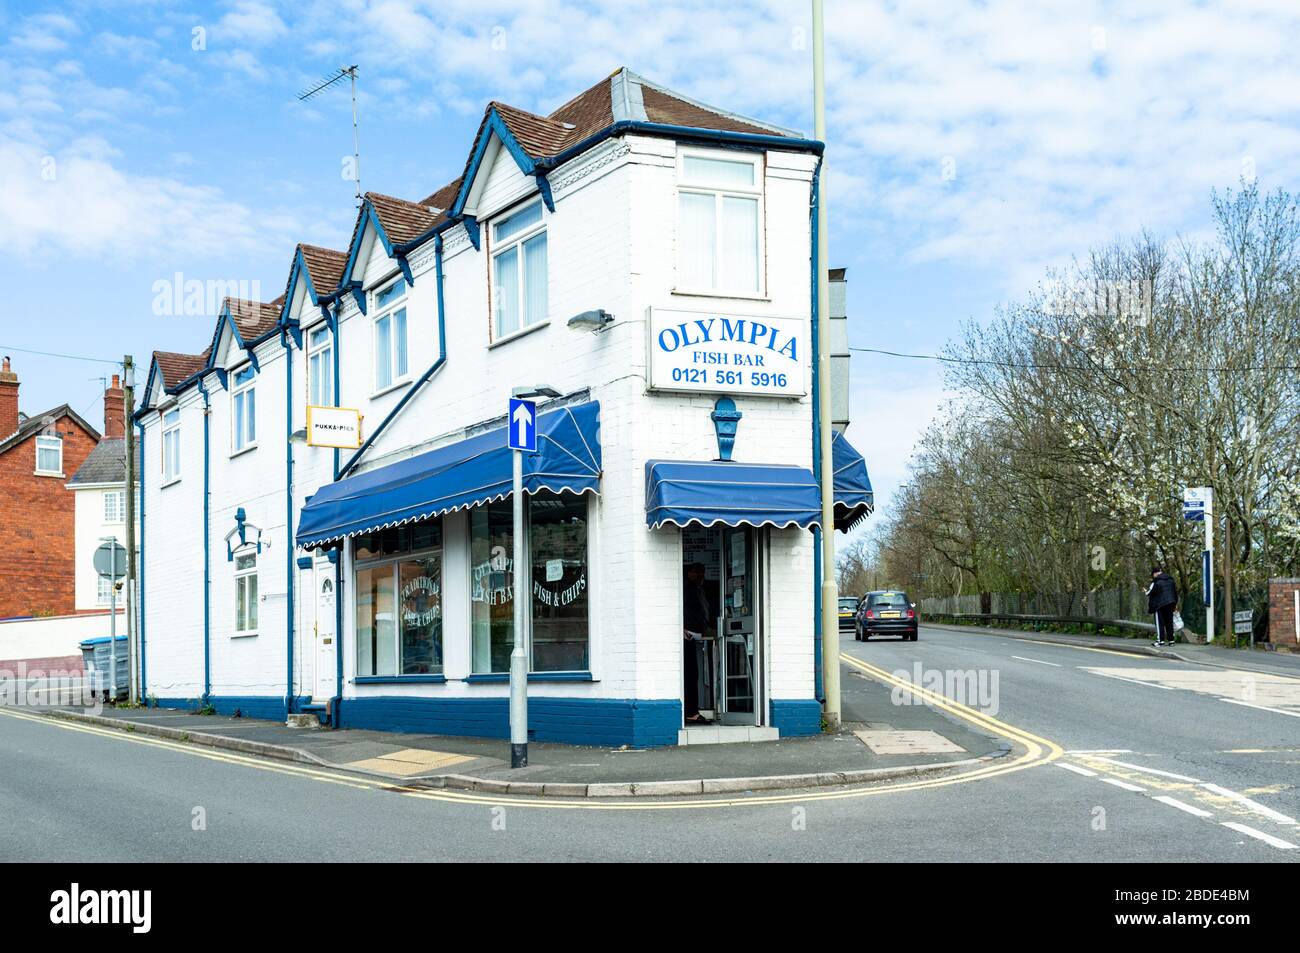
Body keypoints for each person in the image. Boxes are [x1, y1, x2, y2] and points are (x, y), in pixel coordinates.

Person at [683, 562, 712, 723]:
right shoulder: (687, 589)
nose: (701, 575)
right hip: (687, 636)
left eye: (702, 572)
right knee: (690, 674)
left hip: (695, 636)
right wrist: (680, 628)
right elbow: (678, 607)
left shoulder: (699, 589)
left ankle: (692, 711)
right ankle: (690, 712)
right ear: (689, 573)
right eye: (697, 572)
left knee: (693, 674)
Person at [1146, 565, 1179, 646]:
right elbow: (1175, 592)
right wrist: (1175, 604)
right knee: (1169, 622)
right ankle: (1171, 641)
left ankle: (1160, 641)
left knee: (1159, 623)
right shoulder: (1171, 580)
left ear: (1154, 574)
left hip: (1159, 605)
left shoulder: (1156, 581)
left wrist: (1145, 591)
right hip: (1171, 603)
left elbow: (1149, 593)